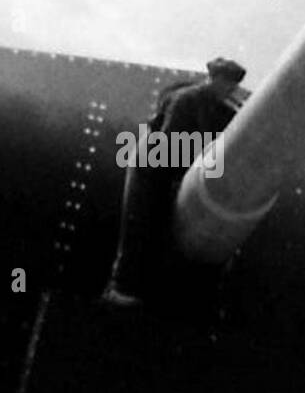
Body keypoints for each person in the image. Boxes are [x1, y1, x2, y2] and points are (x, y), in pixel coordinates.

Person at [103, 57, 245, 307]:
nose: (230, 90)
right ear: (215, 78)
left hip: (164, 170)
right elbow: (171, 144)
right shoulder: (187, 100)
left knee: (152, 229)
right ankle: (121, 291)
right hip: (152, 170)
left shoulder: (212, 104)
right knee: (141, 227)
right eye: (228, 84)